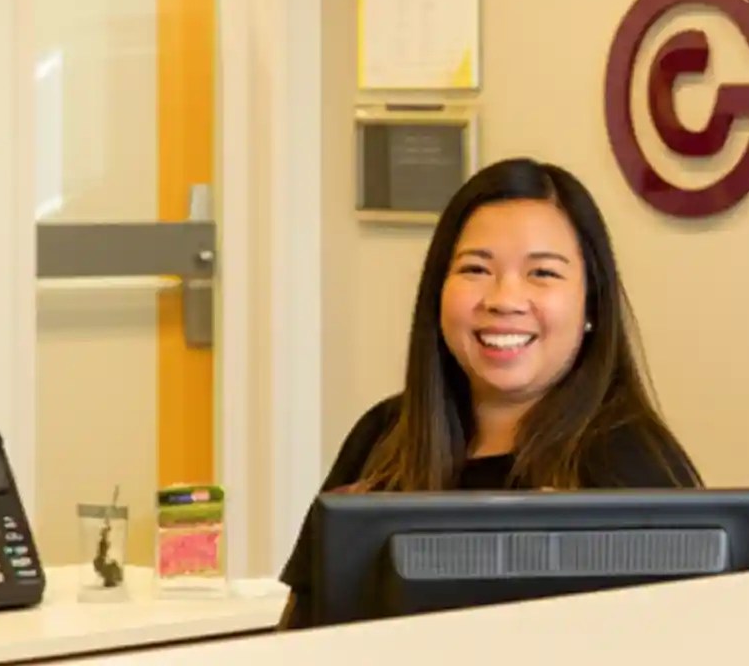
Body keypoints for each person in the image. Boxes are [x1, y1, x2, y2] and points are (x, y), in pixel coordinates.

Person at [276, 157, 703, 629]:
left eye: (543, 273)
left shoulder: (633, 462)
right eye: (476, 269)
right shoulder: (383, 437)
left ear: (591, 306)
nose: (503, 299)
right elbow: (302, 632)